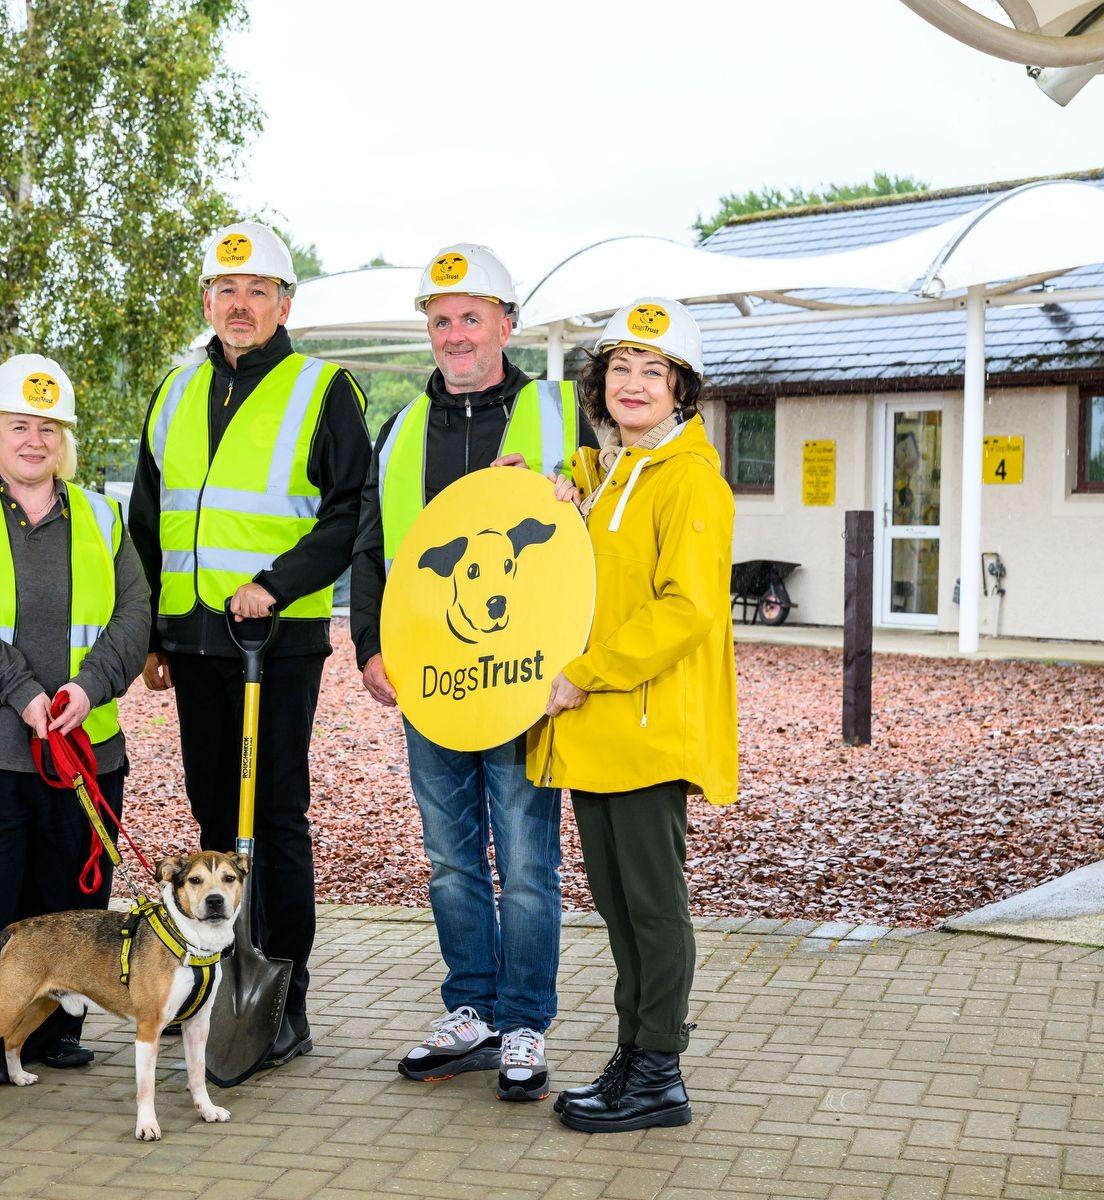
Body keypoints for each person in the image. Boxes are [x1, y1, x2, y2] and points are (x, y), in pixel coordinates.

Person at [350, 244, 596, 1102]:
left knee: (527, 860)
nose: (455, 333)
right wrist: (370, 648)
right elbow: (374, 546)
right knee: (451, 858)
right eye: (441, 318)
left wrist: (567, 492)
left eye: (471, 317)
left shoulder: (561, 415)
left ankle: (525, 1021)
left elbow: (605, 530)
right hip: (433, 684)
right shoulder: (402, 430)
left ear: (507, 324)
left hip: (526, 677)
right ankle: (472, 1012)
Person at [127, 220, 370, 1067]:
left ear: (284, 302)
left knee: (272, 818)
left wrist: (278, 582)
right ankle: (217, 982)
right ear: (206, 300)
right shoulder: (174, 389)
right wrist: (155, 631)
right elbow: (148, 521)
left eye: (258, 291)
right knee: (211, 818)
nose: (240, 304)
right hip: (194, 643)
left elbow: (350, 511)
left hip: (277, 642)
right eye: (226, 290)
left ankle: (283, 997)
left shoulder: (322, 387)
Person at [0, 354, 149, 1082]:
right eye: (20, 425)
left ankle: (50, 1036)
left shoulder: (105, 516)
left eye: (49, 428)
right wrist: (20, 689)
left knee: (71, 908)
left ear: (65, 441)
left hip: (85, 754)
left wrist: (91, 685)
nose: (35, 440)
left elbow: (135, 614)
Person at [532, 296, 737, 1133]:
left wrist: (587, 673)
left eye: (654, 371)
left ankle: (660, 1072)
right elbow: (592, 525)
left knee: (653, 908)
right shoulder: (612, 470)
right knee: (620, 907)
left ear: (682, 389)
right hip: (602, 733)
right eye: (620, 368)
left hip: (646, 728)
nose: (634, 383)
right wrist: (545, 489)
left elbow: (684, 610)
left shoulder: (692, 480)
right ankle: (635, 1056)